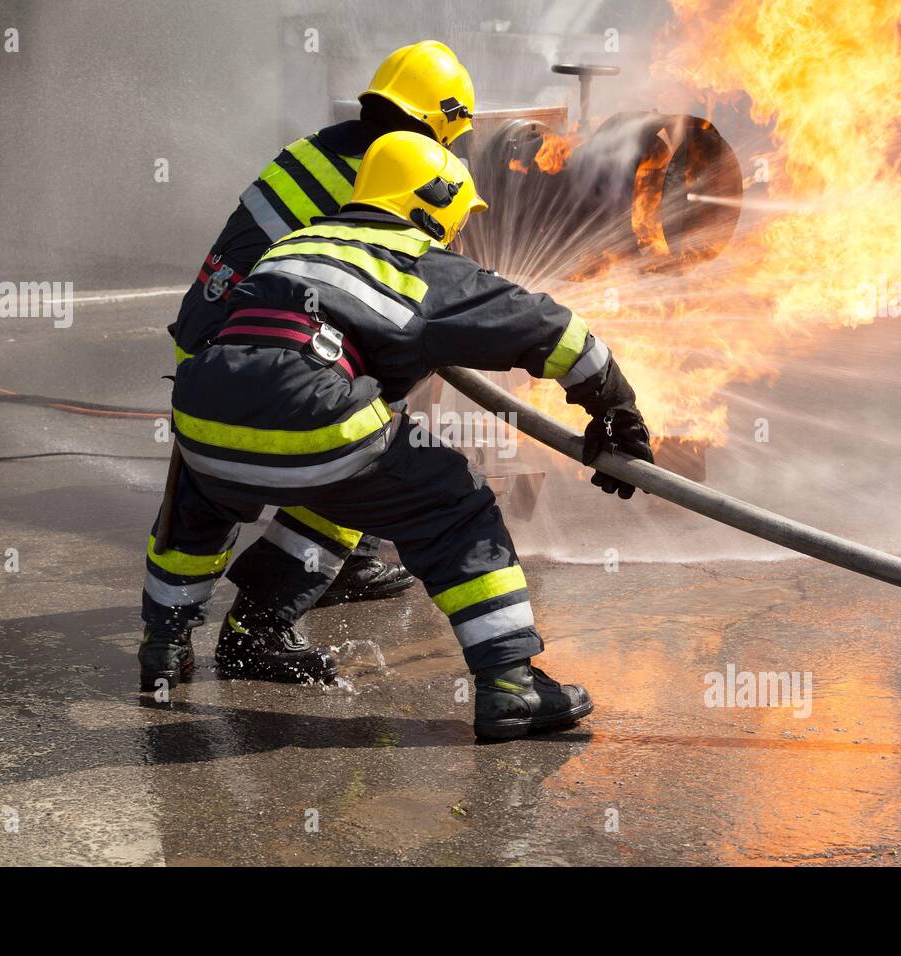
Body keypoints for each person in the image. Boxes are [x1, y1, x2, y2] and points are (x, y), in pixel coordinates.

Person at [141, 130, 654, 739]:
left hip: (203, 417)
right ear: (427, 205)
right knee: (449, 503)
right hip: (312, 417)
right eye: (455, 220)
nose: (456, 234)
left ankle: (167, 652)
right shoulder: (417, 262)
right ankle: (510, 684)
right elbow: (552, 329)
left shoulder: (302, 240)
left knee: (210, 513)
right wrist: (616, 408)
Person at [149, 41, 476, 657]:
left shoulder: (316, 147)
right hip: (259, 359)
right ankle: (265, 619)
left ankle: (165, 640)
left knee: (202, 497)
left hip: (202, 349)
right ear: (438, 123)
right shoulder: (385, 175)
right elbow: (408, 290)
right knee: (363, 445)